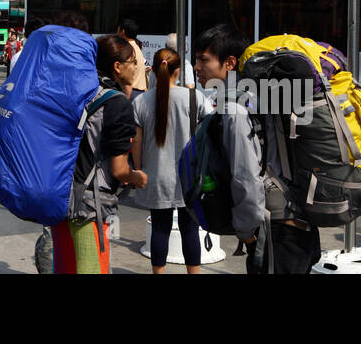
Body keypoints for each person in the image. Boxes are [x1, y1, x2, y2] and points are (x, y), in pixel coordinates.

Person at [192, 24, 289, 273]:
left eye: (204, 60)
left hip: (271, 227)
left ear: (230, 63)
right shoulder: (255, 95)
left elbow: (245, 176)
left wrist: (246, 232)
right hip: (288, 217)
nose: (196, 67)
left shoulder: (234, 109)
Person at [50, 34, 146, 274]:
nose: (137, 67)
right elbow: (118, 170)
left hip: (60, 197)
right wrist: (137, 178)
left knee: (64, 267)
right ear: (117, 66)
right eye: (133, 61)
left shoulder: (77, 91)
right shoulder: (117, 104)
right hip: (89, 207)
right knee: (92, 268)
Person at [133, 47, 210, 274]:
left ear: (155, 71)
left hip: (156, 175)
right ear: (178, 71)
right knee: (189, 229)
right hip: (190, 175)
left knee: (160, 228)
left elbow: (136, 143)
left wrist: (138, 170)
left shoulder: (141, 102)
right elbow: (211, 129)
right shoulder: (194, 97)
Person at [117, 17, 148, 97]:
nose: (116, 33)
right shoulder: (136, 47)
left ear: (122, 32)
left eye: (117, 30)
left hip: (130, 93)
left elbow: (123, 75)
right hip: (140, 93)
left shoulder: (127, 49)